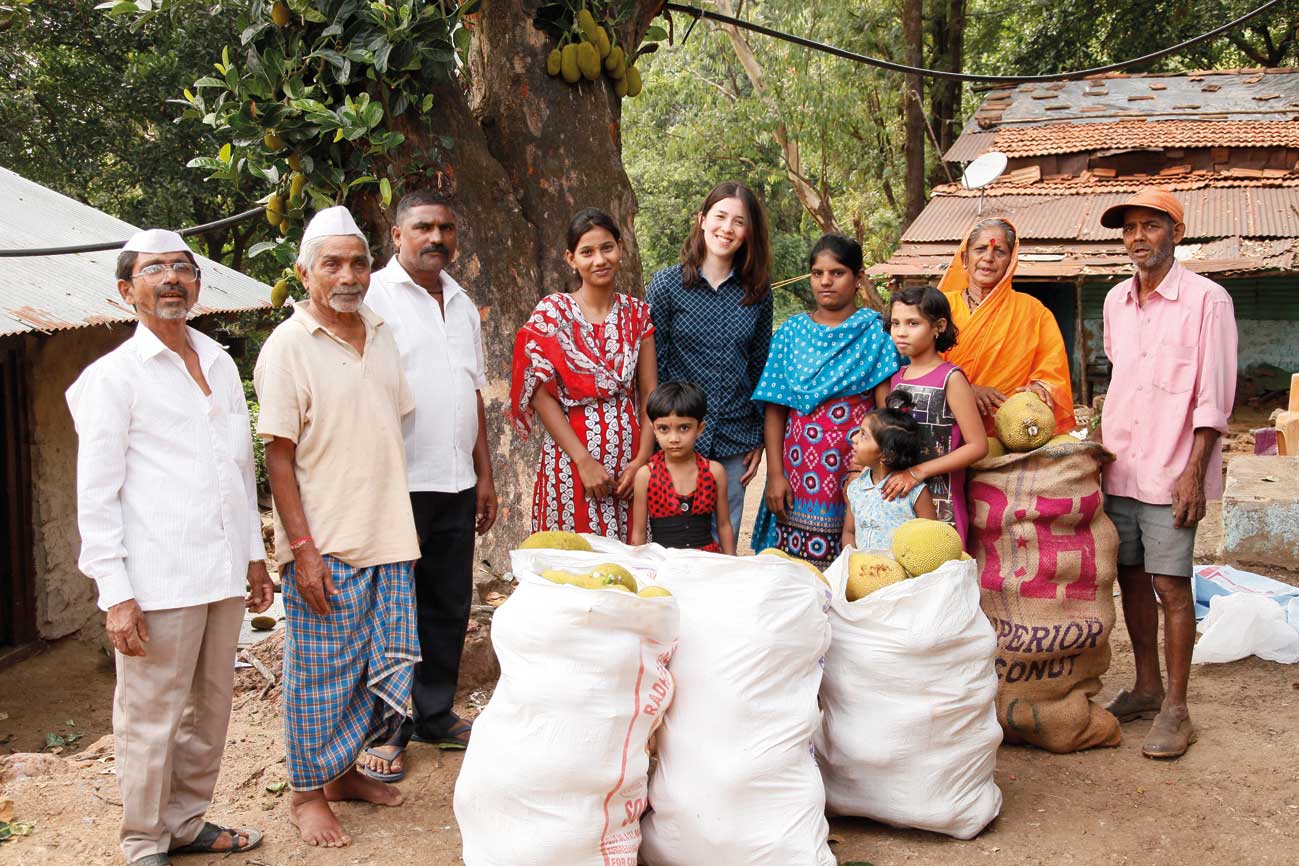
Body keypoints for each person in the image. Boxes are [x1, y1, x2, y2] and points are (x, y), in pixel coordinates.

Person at [67, 228, 272, 866]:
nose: (172, 278)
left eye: (182, 267)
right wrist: (115, 594)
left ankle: (184, 823)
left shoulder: (215, 361)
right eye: (154, 269)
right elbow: (96, 495)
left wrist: (254, 557)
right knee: (150, 718)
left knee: (209, 711)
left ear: (198, 284)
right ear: (128, 290)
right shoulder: (112, 378)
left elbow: (238, 472)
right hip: (156, 578)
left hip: (220, 574)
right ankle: (142, 841)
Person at [255, 206, 421, 847]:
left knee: (363, 670)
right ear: (304, 273)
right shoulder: (288, 346)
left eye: (358, 262)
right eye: (333, 264)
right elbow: (278, 456)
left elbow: (390, 423)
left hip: (388, 535)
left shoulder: (380, 334)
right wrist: (303, 551)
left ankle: (342, 773)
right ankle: (305, 793)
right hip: (325, 543)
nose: (348, 275)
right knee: (317, 673)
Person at [357, 192, 496, 781]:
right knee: (391, 608)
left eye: (445, 227)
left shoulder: (462, 303)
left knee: (448, 603)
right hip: (398, 483)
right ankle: (386, 730)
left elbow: (472, 391)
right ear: (395, 234)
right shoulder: (372, 300)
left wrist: (485, 473)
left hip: (458, 481)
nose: (435, 237)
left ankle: (436, 714)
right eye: (423, 227)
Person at [1097, 189, 1237, 759]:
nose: (1137, 237)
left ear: (1175, 233)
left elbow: (1215, 396)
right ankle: (1147, 687)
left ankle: (1177, 708)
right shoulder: (1113, 301)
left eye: (1150, 226)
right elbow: (1122, 381)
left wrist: (1194, 472)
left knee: (1172, 587)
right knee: (1129, 576)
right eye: (1129, 228)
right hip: (1120, 466)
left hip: (1172, 468)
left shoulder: (1208, 300)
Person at [751, 234, 900, 568]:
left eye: (837, 272)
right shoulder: (790, 333)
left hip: (853, 468)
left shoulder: (875, 334)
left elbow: (885, 414)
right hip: (796, 471)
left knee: (850, 570)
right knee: (792, 576)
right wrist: (775, 473)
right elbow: (775, 409)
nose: (825, 281)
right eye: (817, 273)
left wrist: (868, 471)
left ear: (858, 277)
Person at [509, 208, 657, 540]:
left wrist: (642, 462)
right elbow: (539, 393)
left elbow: (649, 393)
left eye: (607, 247)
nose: (599, 259)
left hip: (629, 464)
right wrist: (584, 461)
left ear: (621, 248)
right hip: (570, 461)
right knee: (573, 563)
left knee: (628, 565)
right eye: (587, 252)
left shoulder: (638, 315)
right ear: (571, 259)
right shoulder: (552, 313)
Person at [647, 182, 773, 537]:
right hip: (677, 435)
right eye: (720, 216)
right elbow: (651, 368)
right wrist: (655, 436)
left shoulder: (757, 292)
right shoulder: (667, 285)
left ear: (749, 232)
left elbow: (759, 366)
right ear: (702, 220)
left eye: (738, 221)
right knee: (673, 540)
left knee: (723, 538)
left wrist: (759, 437)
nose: (727, 228)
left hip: (735, 436)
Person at [938, 218, 1074, 436]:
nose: (988, 258)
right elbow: (917, 365)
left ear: (1011, 261)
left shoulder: (1033, 311)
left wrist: (1039, 389)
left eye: (999, 251)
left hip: (1010, 434)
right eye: (980, 249)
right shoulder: (939, 307)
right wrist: (964, 390)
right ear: (964, 258)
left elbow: (1052, 368)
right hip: (944, 427)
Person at [877, 285, 988, 543]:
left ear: (938, 326)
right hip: (901, 502)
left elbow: (978, 446)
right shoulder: (896, 379)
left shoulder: (951, 378)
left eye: (912, 323)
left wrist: (917, 472)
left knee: (939, 571)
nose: (901, 332)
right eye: (895, 323)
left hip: (942, 502)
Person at [630, 381, 736, 554]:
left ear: (700, 428)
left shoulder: (714, 472)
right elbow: (639, 532)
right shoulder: (646, 475)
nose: (674, 438)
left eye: (684, 428)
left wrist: (732, 563)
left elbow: (724, 525)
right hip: (664, 564)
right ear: (653, 430)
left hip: (706, 562)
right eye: (664, 429)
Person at [841, 392, 938, 551]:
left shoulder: (915, 493)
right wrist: (851, 559)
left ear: (886, 455)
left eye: (864, 435)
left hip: (905, 574)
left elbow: (933, 539)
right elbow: (849, 532)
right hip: (863, 572)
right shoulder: (856, 488)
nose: (854, 438)